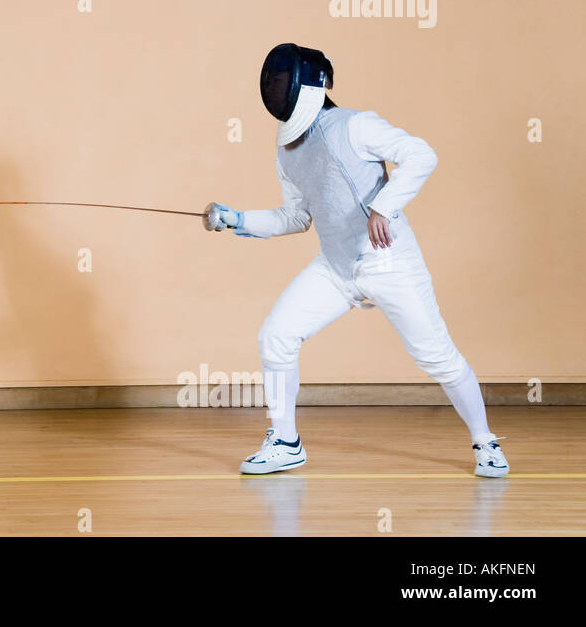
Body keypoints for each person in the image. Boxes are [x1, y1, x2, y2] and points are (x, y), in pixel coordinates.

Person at [204, 43, 508, 478]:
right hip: (336, 267)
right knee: (276, 336)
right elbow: (295, 217)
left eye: (278, 78)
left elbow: (421, 154)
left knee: (436, 356)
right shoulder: (287, 149)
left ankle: (486, 442)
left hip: (388, 262)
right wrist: (237, 219)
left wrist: (385, 206)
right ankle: (286, 442)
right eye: (269, 81)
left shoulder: (355, 125)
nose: (272, 86)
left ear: (305, 83)